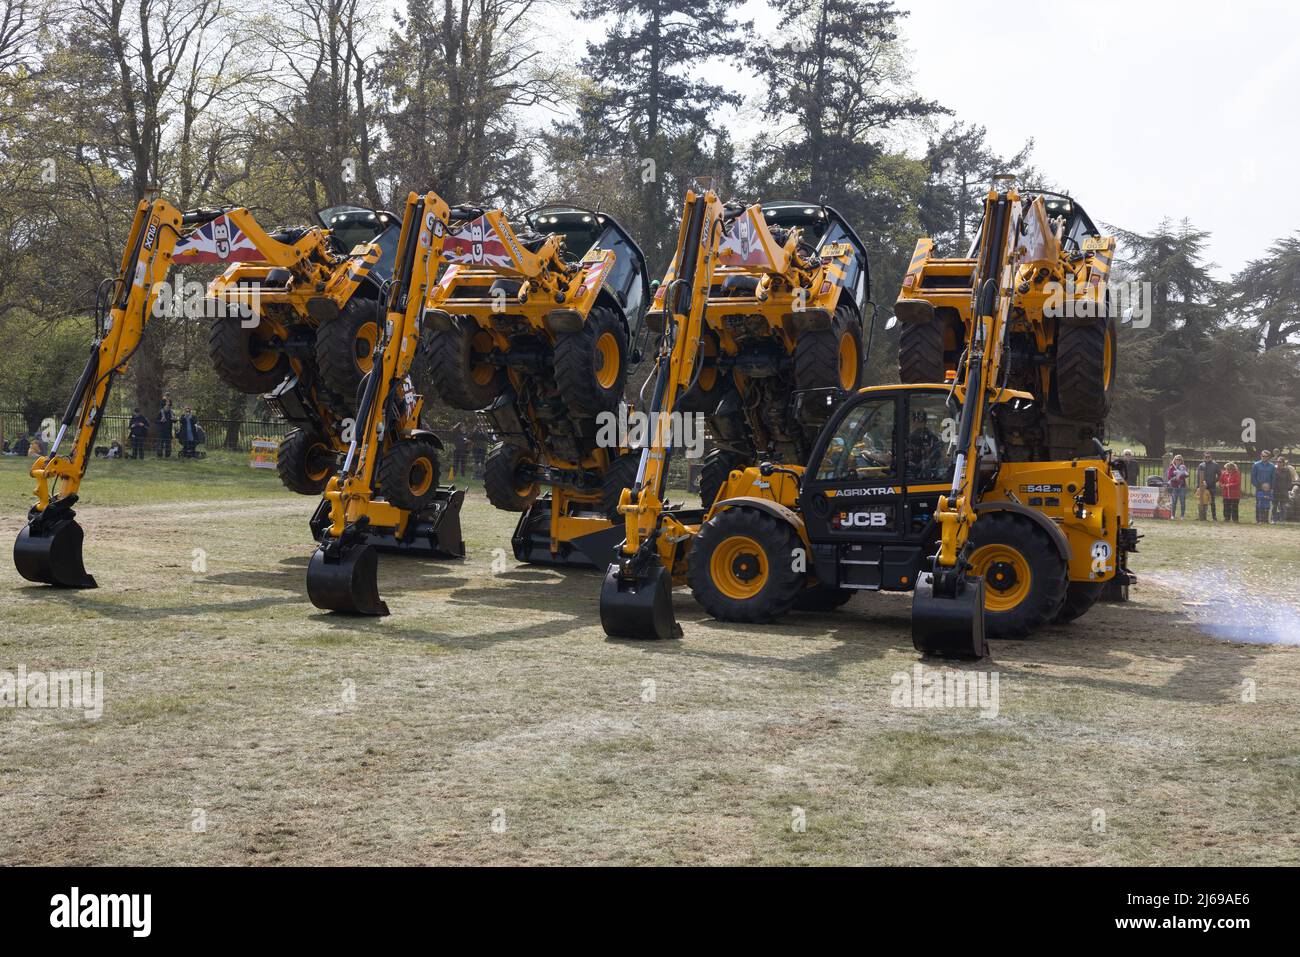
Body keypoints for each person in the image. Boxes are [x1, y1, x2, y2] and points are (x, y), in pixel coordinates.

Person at [1251, 450, 1276, 524]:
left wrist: (1271, 487)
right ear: (1260, 456)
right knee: (1259, 503)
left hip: (1268, 488)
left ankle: (1265, 520)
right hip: (1259, 488)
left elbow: (1273, 477)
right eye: (1262, 456)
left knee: (1267, 503)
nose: (1264, 457)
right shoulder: (1256, 465)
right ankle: (1258, 520)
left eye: (1266, 456)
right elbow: (1253, 477)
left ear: (1268, 457)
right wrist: (1258, 486)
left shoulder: (1272, 466)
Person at [1195, 451, 1221, 521]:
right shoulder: (1201, 465)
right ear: (1204, 457)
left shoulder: (1215, 465)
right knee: (1201, 502)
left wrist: (1214, 481)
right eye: (1206, 457)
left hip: (1211, 487)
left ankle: (1214, 517)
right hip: (1202, 487)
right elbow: (1198, 476)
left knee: (1212, 502)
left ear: (1211, 457)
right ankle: (1202, 517)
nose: (1207, 458)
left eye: (1208, 457)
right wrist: (1198, 486)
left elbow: (1219, 475)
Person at [1272, 455, 1294, 522]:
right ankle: (1274, 519)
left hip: (1283, 492)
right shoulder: (1274, 470)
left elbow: (1289, 481)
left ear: (1283, 463)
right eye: (1277, 461)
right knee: (1274, 506)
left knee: (1283, 507)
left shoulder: (1287, 470)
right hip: (1275, 491)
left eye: (1280, 462)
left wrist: (1286, 488)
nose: (1278, 463)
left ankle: (1282, 520)